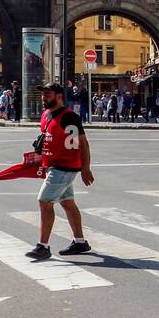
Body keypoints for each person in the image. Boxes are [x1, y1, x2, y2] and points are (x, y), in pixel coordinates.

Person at [26, 83, 95, 259]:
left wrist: (85, 168)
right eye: (43, 95)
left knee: (44, 201)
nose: (43, 98)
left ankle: (43, 246)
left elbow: (83, 144)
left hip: (64, 167)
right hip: (52, 166)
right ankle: (80, 242)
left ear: (59, 96)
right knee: (67, 203)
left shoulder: (70, 117)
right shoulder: (46, 115)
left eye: (47, 95)